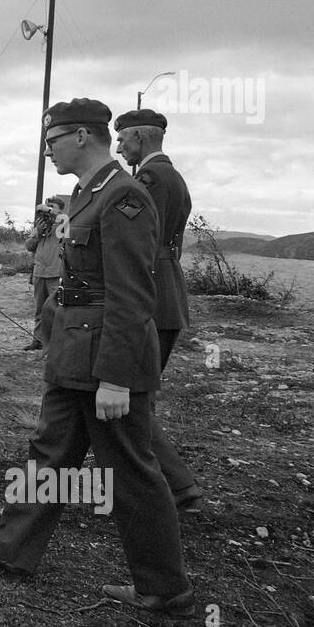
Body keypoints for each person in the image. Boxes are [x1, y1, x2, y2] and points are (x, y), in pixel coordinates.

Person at [0, 98, 193, 615]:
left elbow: (132, 294)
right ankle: (9, 548)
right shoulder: (86, 193)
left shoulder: (123, 195)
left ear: (82, 136)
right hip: (74, 352)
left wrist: (116, 379)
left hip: (106, 361)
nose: (48, 151)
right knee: (50, 451)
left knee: (128, 471)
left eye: (53, 141)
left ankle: (165, 588)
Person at [115, 108, 201, 510]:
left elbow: (140, 242)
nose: (119, 147)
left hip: (150, 296)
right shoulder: (174, 177)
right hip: (166, 292)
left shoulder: (149, 179)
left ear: (140, 137)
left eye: (122, 139)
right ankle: (152, 484)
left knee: (132, 398)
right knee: (135, 397)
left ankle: (176, 486)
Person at [22, 196, 65, 351]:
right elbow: (28, 246)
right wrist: (38, 233)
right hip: (40, 273)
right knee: (39, 310)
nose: (48, 211)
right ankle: (38, 340)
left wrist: (49, 211)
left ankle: (55, 342)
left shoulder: (62, 226)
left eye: (52, 207)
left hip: (55, 273)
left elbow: (65, 221)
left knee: (56, 309)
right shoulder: (41, 226)